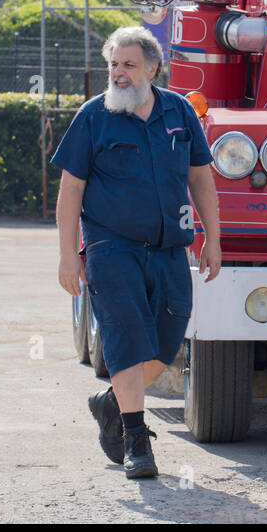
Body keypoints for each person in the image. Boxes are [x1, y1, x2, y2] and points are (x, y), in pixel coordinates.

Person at [51, 25, 221, 478]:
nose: (119, 73)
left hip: (169, 248)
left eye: (128, 64)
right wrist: (70, 255)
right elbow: (70, 192)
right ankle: (136, 441)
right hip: (111, 249)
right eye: (113, 65)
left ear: (152, 67)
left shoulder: (180, 112)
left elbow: (201, 178)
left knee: (163, 346)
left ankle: (111, 402)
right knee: (127, 342)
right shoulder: (93, 117)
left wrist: (213, 239)